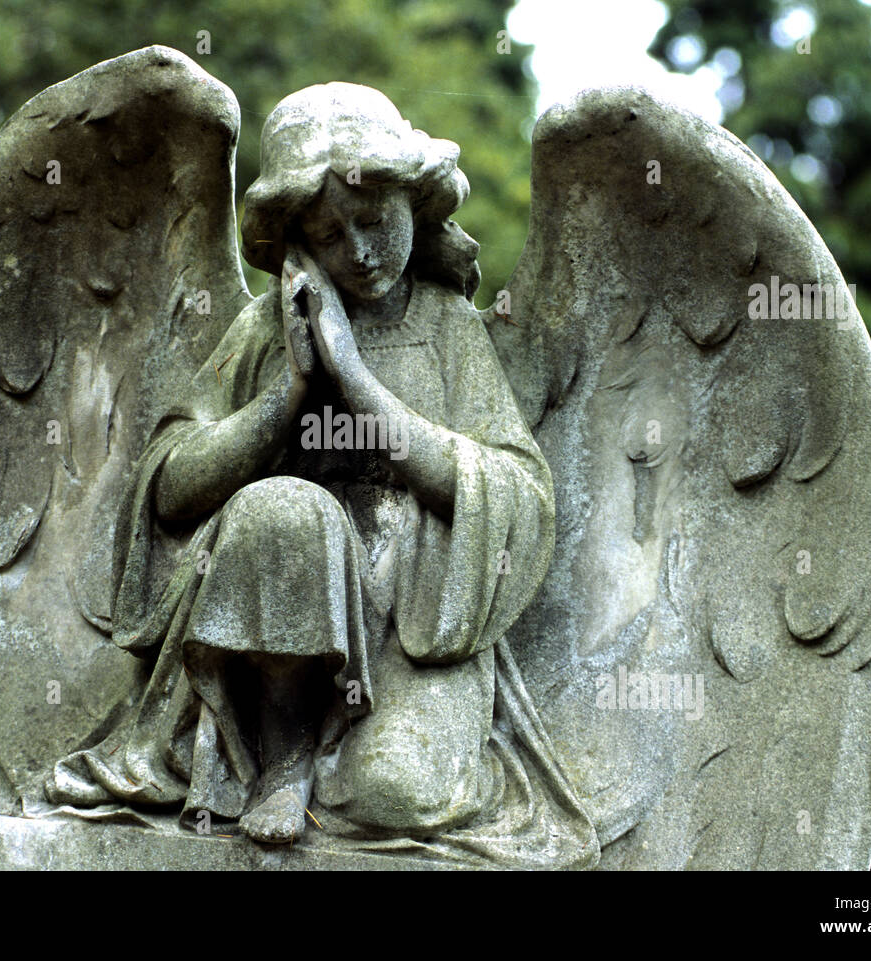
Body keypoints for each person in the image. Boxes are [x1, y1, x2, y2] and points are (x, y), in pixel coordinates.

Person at [46, 83, 558, 847]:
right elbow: (170, 488)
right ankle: (280, 760)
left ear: (414, 202)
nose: (358, 249)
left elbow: (515, 494)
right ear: (295, 245)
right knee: (285, 506)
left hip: (407, 618)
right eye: (328, 233)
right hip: (268, 626)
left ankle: (335, 759)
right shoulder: (266, 327)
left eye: (375, 220)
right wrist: (287, 397)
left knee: (393, 793)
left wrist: (355, 380)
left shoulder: (448, 327)